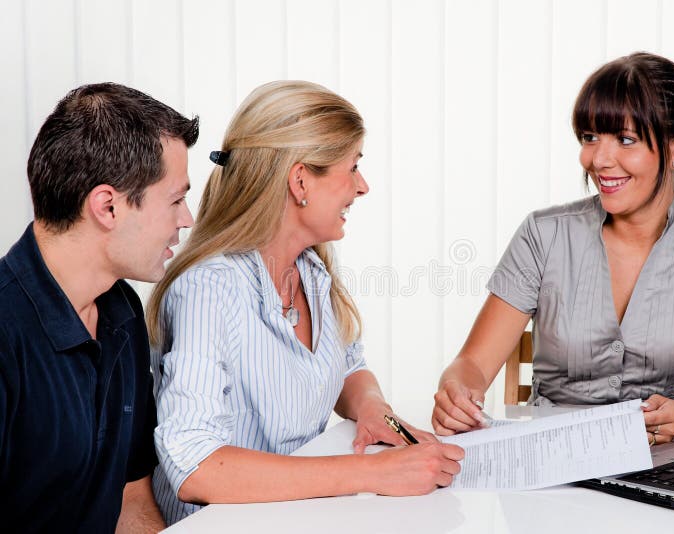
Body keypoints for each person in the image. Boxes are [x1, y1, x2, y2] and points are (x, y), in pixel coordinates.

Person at [147, 80, 464, 524]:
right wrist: (370, 472)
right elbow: (196, 465)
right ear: (300, 181)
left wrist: (374, 409)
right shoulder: (209, 289)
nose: (363, 186)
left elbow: (348, 365)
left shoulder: (312, 271)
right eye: (352, 167)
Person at [433, 52, 674, 447]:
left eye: (625, 140)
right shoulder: (544, 234)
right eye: (589, 138)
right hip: (550, 460)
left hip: (663, 457)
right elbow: (471, 365)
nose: (599, 160)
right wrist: (457, 390)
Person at [0, 83, 198, 532]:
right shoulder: (6, 337)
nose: (186, 219)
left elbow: (131, 495)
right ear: (107, 206)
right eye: (175, 199)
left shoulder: (122, 312)